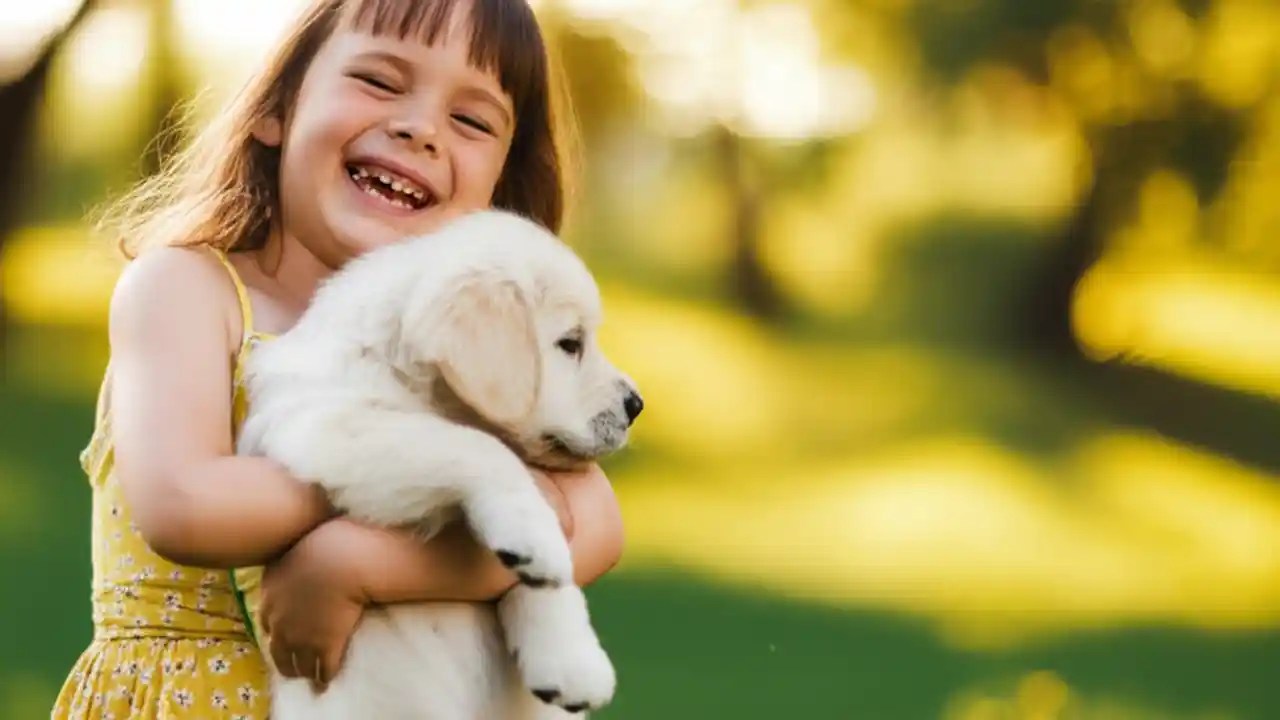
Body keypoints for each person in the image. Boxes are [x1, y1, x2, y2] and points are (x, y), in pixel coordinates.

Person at [52, 0, 625, 716]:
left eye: (472, 121)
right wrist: (406, 472)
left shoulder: (466, 353)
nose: (420, 129)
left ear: (498, 195)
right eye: (381, 82)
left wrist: (352, 565)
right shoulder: (190, 290)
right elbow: (185, 503)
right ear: (277, 111)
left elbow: (593, 527)